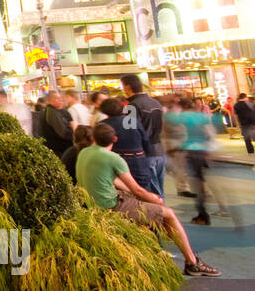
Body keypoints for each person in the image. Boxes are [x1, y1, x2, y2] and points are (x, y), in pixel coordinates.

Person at [77, 123, 220, 276]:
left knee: (150, 213)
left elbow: (112, 181)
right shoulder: (113, 158)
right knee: (168, 214)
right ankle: (192, 262)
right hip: (111, 205)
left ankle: (150, 255)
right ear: (115, 139)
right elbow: (136, 189)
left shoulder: (84, 152)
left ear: (93, 138)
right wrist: (154, 199)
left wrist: (147, 199)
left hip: (93, 204)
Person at [174, 96, 217, 225]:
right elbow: (208, 132)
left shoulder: (182, 117)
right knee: (200, 182)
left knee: (196, 183)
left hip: (192, 152)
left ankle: (203, 215)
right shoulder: (198, 116)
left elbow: (180, 134)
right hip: (201, 150)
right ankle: (203, 213)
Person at [122, 74, 166, 197]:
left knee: (151, 192)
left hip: (144, 152)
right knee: (160, 190)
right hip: (159, 150)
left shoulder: (131, 106)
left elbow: (129, 131)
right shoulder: (155, 103)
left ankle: (160, 215)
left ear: (128, 87)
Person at [98, 96, 154, 192]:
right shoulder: (133, 121)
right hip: (139, 161)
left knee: (123, 194)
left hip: (116, 163)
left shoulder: (102, 125)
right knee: (144, 191)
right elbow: (146, 142)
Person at [39, 91, 73, 157]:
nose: (60, 100)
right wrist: (73, 135)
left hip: (61, 149)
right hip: (59, 150)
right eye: (56, 98)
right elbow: (63, 133)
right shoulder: (51, 112)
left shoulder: (57, 111)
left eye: (60, 98)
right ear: (49, 101)